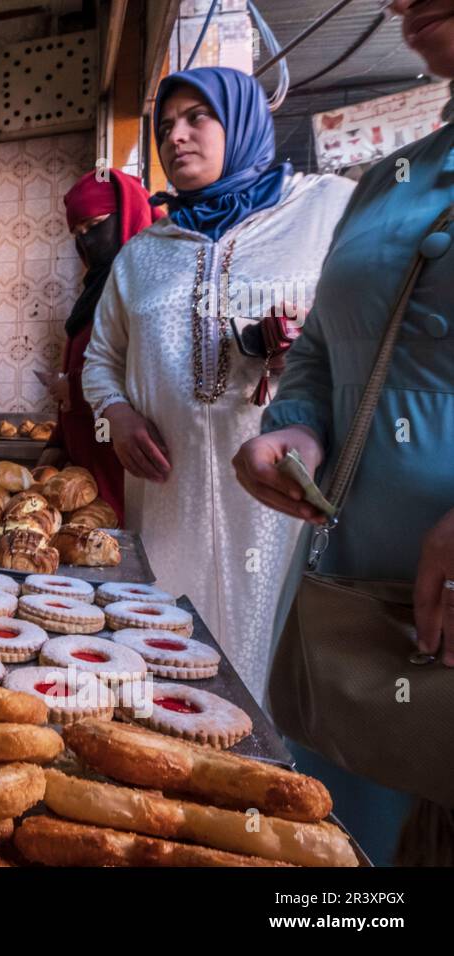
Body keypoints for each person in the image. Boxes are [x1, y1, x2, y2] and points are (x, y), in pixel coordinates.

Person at [232, 0, 454, 865]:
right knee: (335, 840)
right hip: (355, 584)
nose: (397, 1)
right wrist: (294, 428)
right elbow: (322, 346)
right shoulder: (393, 178)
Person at [80, 67, 354, 693]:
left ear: (244, 122)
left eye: (197, 117)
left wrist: (307, 343)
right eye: (166, 125)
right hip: (167, 494)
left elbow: (377, 332)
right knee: (169, 666)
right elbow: (100, 360)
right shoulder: (142, 254)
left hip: (281, 497)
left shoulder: (323, 213)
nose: (177, 136)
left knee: (283, 668)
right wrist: (117, 415)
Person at [37, 169, 162, 522]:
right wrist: (58, 442)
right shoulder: (97, 288)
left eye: (94, 226)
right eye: (77, 234)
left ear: (126, 216)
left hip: (120, 464)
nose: (87, 241)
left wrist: (72, 388)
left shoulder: (148, 286)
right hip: (85, 462)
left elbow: (149, 373)